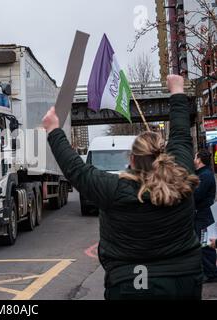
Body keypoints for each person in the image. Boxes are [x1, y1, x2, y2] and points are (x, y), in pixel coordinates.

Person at [42, 75, 202, 300]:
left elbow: (76, 170)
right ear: (164, 156)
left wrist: (54, 131)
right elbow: (181, 136)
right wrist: (177, 91)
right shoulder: (183, 178)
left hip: (129, 283)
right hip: (183, 280)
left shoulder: (115, 191)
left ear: (133, 160)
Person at [194, 149, 217, 282]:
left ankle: (211, 274)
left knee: (206, 244)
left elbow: (197, 195)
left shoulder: (205, 176)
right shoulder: (203, 174)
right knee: (203, 244)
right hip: (203, 216)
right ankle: (209, 271)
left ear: (199, 160)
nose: (193, 160)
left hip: (205, 217)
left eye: (195, 157)